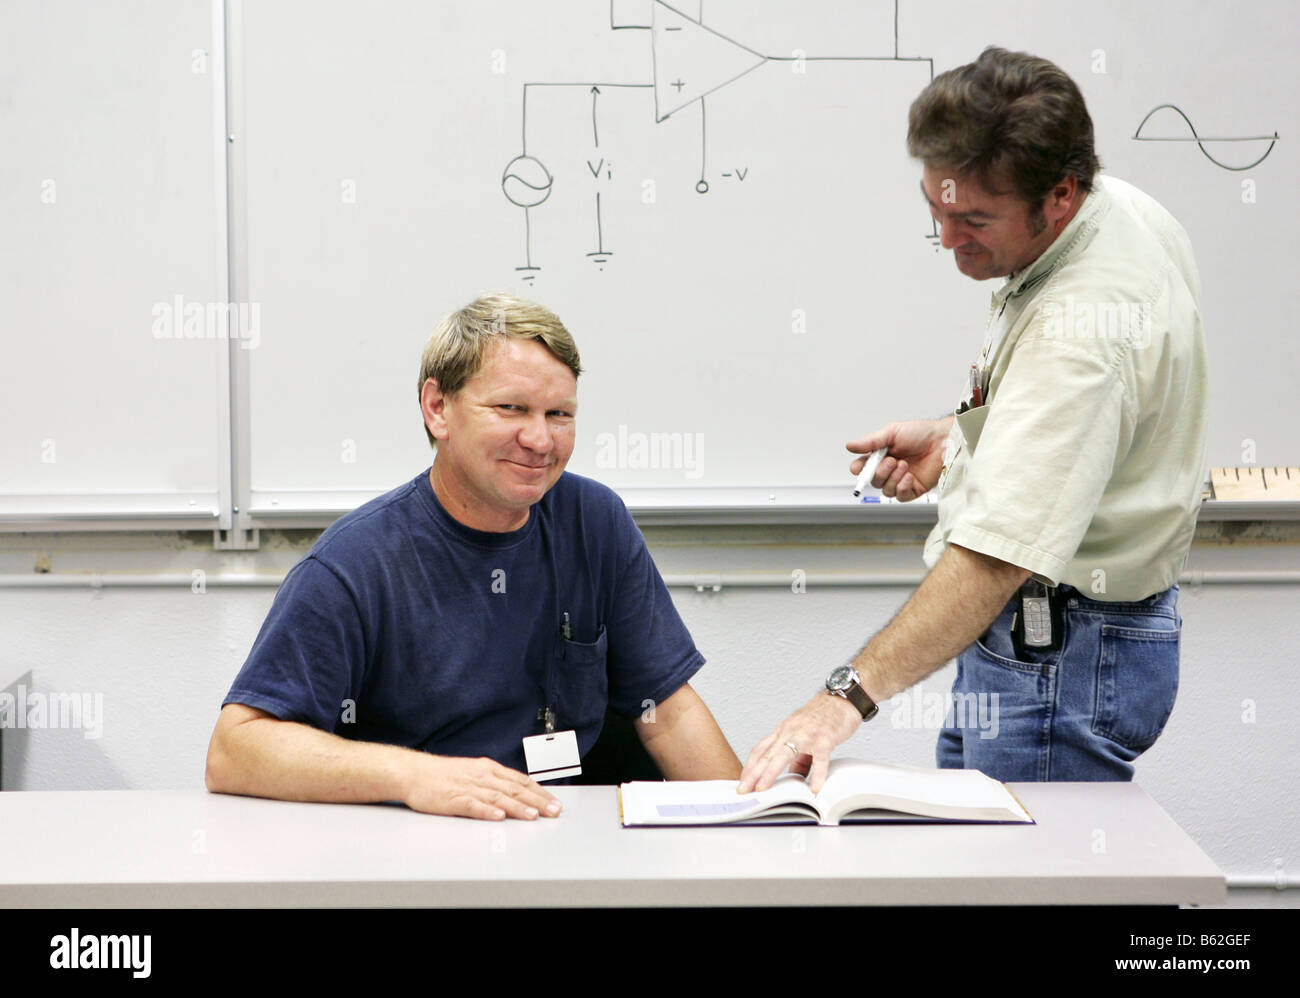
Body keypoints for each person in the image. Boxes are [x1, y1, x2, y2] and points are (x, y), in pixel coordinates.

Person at [739, 46, 1208, 791]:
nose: (949, 240)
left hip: (1058, 657)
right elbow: (1091, 430)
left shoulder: (1080, 337)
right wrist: (963, 439)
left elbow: (995, 557)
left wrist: (842, 701)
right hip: (1049, 640)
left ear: (1058, 195)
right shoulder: (1114, 208)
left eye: (976, 220)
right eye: (937, 208)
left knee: (1028, 889)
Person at [206, 293, 741, 820]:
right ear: (438, 407)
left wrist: (755, 826)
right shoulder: (355, 564)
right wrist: (414, 775)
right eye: (511, 408)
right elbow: (235, 750)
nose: (539, 439)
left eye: (559, 414)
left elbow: (667, 711)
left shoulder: (594, 520)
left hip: (572, 840)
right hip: (431, 850)